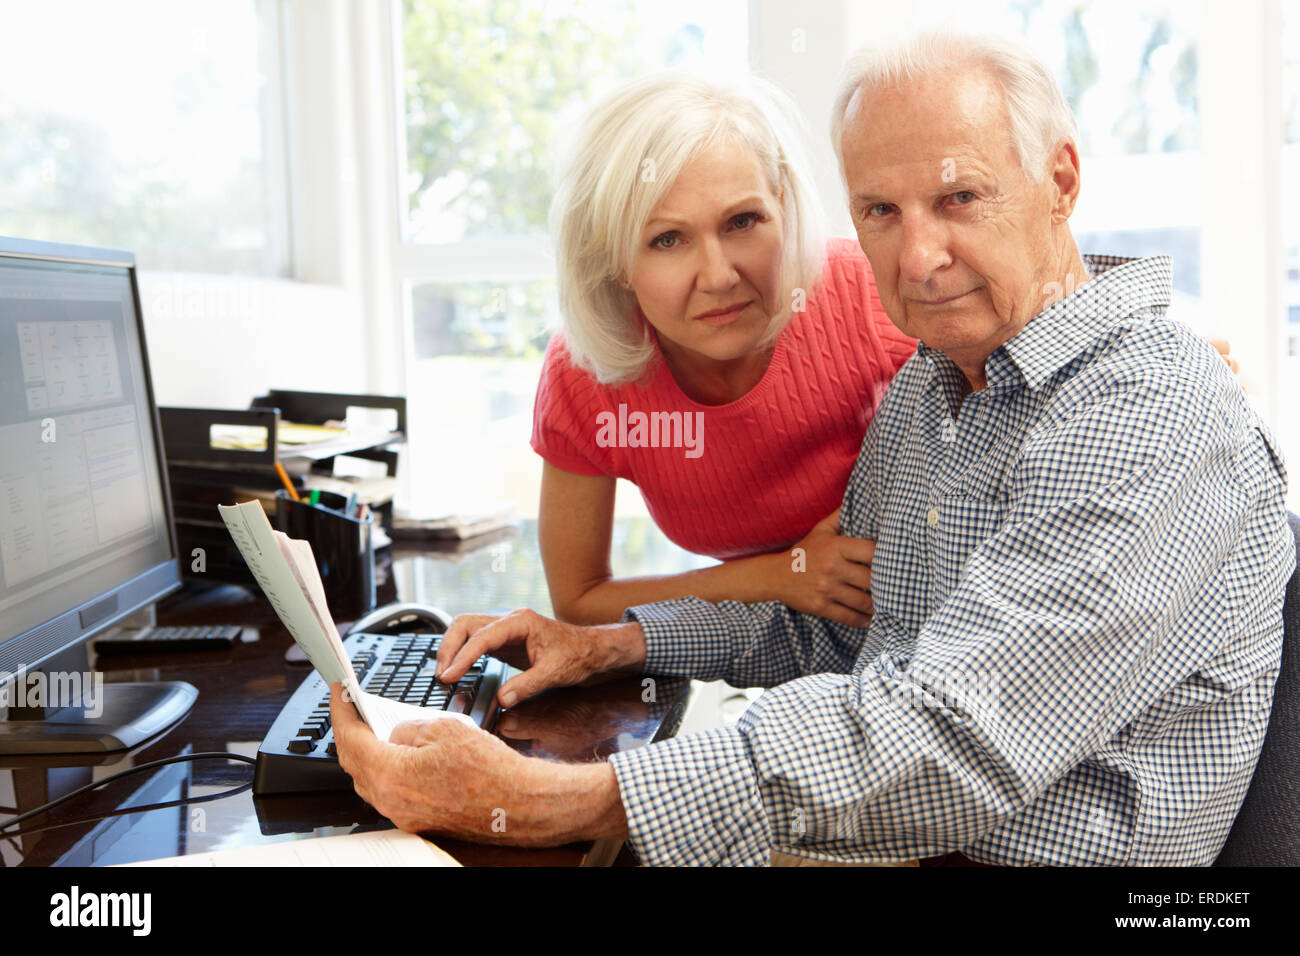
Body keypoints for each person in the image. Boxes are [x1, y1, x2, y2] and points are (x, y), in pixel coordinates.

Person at [330, 29, 1292, 866]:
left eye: (958, 197)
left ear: (1061, 182)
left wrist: (558, 802)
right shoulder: (931, 385)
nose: (917, 257)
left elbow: (957, 738)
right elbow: (838, 631)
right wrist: (608, 646)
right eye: (881, 211)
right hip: (892, 828)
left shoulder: (1144, 407)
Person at [533, 72, 915, 627]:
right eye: (667, 239)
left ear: (781, 205)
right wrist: (778, 577)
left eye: (742, 221)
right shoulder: (587, 374)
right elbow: (579, 600)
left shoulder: (873, 294)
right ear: (612, 258)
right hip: (763, 648)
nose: (718, 276)